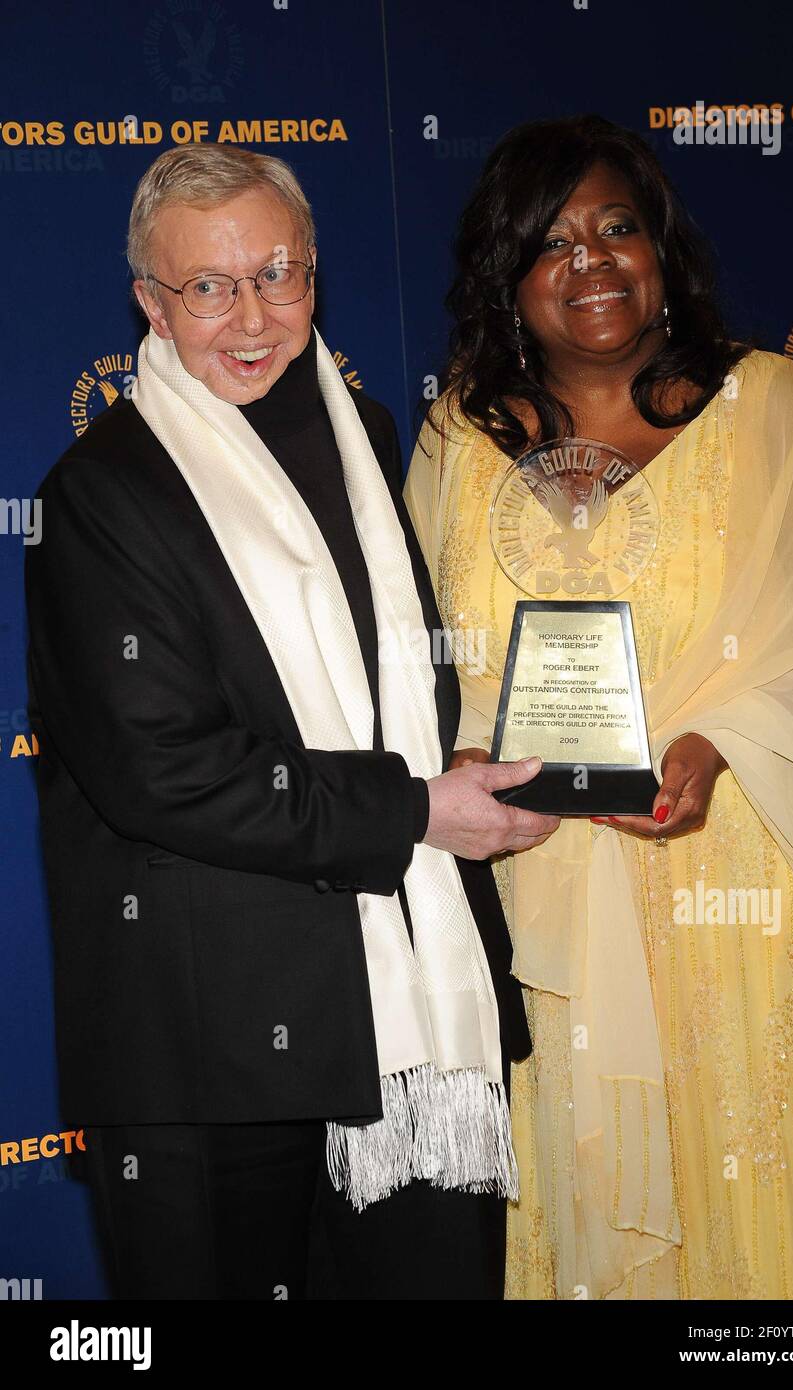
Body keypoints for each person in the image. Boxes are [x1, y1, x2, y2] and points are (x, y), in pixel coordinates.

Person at [24, 143, 562, 1301]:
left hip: (411, 1028)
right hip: (212, 1050)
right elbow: (162, 773)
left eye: (278, 273)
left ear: (316, 269)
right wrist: (421, 808)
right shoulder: (99, 496)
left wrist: (458, 755)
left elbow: (395, 677)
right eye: (209, 287)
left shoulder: (365, 431)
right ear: (150, 304)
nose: (253, 316)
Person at [403, 114, 793, 1300]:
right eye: (552, 241)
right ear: (508, 281)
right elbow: (421, 651)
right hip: (548, 883)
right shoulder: (460, 436)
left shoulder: (769, 408)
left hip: (744, 883)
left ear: (662, 248)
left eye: (618, 227)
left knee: (752, 1195)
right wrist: (461, 743)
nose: (593, 260)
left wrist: (723, 739)